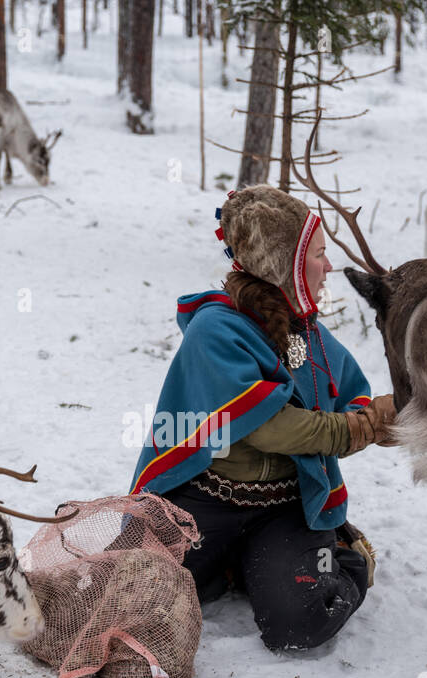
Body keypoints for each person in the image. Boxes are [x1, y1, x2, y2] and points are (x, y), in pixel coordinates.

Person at [129, 184, 397, 651]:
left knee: (298, 624)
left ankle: (347, 556)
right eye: (317, 254)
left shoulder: (305, 329)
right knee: (132, 594)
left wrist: (375, 415)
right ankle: (236, 562)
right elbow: (270, 428)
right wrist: (366, 427)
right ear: (285, 265)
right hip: (205, 501)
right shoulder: (217, 330)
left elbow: (351, 391)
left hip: (283, 508)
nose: (328, 266)